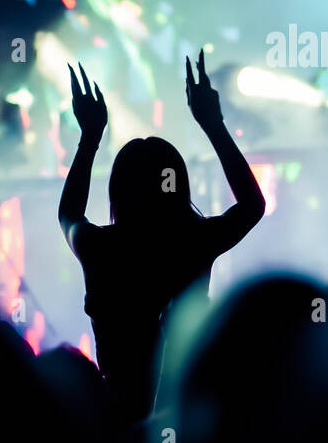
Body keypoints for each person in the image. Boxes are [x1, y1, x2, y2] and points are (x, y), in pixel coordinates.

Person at [57, 51, 266, 422]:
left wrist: (89, 138)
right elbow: (252, 205)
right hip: (190, 410)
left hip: (120, 418)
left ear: (119, 191)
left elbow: (69, 215)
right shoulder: (195, 242)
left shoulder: (102, 249)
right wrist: (213, 124)